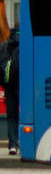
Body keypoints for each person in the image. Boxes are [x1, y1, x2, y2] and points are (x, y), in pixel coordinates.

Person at [1, 27, 17, 156]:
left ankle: (12, 145)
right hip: (25, 87)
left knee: (12, 116)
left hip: (9, 87)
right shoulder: (29, 44)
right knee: (27, 115)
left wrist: (4, 84)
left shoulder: (4, 46)